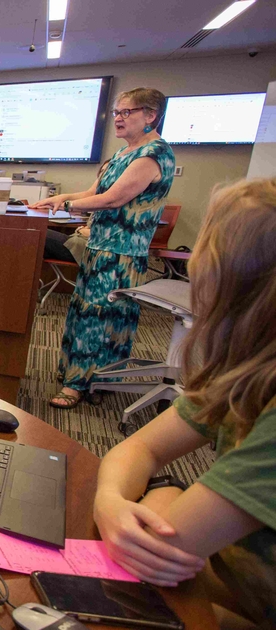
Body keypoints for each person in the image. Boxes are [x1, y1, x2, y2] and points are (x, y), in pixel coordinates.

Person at [91, 178, 276, 628]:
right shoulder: (244, 372)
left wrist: (157, 497)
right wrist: (109, 499)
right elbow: (141, 449)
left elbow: (161, 546)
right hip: (233, 579)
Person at [31, 88, 176, 409]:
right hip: (99, 246)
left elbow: (114, 199)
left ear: (151, 116)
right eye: (116, 113)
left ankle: (81, 384)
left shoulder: (153, 154)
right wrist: (59, 198)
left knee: (103, 319)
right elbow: (95, 191)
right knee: (84, 313)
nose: (119, 119)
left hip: (122, 253)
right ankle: (86, 376)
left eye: (128, 112)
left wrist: (69, 204)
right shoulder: (123, 154)